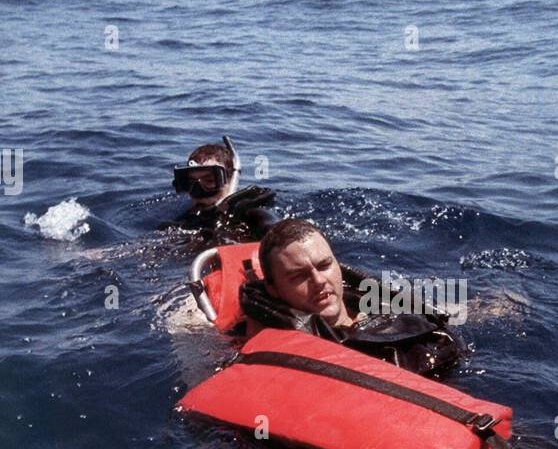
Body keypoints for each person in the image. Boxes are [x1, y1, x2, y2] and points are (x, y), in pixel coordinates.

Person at [239, 217, 462, 378]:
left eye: (324, 265)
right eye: (298, 276)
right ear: (273, 288)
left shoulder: (379, 304)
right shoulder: (267, 341)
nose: (318, 281)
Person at [171, 136, 278, 243]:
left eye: (209, 181)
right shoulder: (186, 220)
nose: (198, 191)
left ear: (230, 180)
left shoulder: (249, 213)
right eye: (191, 183)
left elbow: (278, 233)